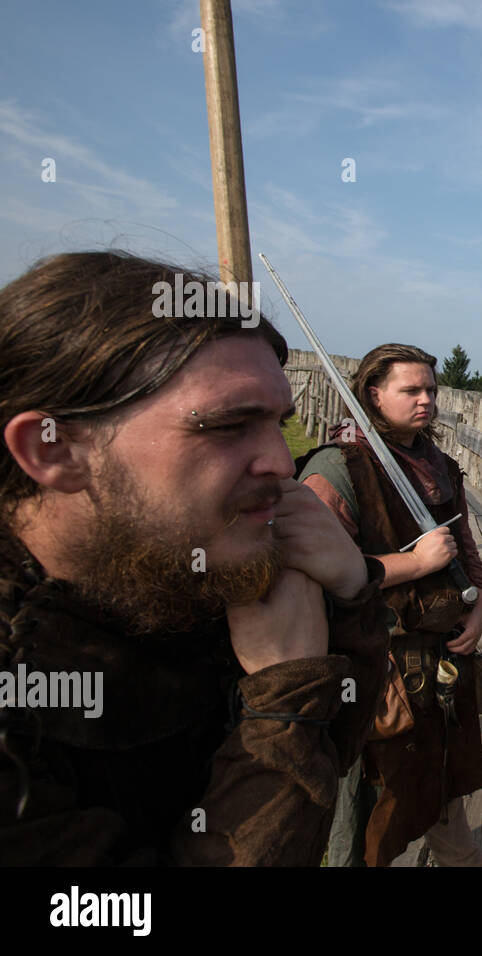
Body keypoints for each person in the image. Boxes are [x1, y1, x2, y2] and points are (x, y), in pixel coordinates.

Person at [0, 251, 388, 865]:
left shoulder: (198, 566)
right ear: (55, 451)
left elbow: (331, 753)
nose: (283, 463)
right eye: (228, 425)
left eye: (277, 423)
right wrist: (281, 707)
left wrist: (350, 598)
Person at [298, 344, 482, 867]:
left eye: (430, 389)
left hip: (439, 657)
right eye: (411, 390)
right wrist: (414, 565)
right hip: (373, 665)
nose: (425, 399)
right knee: (369, 801)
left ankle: (464, 861)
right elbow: (311, 568)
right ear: (373, 394)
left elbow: (464, 545)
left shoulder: (437, 463)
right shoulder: (338, 468)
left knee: (441, 772)